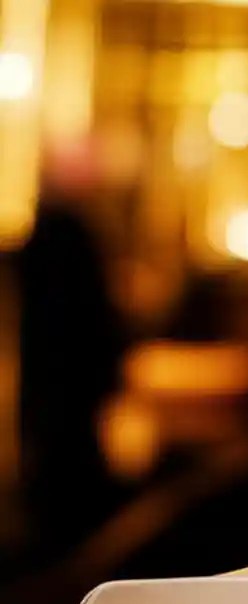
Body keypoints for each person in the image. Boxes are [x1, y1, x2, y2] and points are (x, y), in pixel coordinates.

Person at [17, 138, 127, 568]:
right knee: (68, 466)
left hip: (53, 379)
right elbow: (90, 314)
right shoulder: (70, 233)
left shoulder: (50, 233)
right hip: (69, 379)